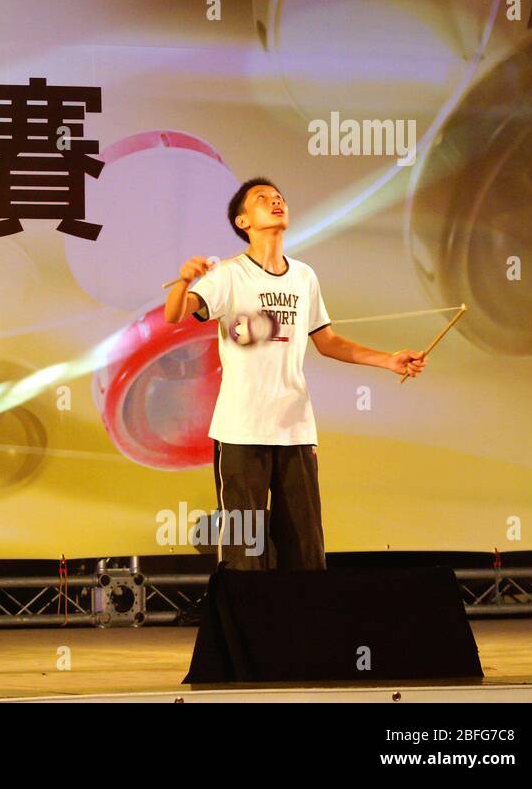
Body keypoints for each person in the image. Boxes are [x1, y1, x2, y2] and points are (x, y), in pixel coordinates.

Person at [164, 177, 426, 571]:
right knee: (243, 556)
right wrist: (185, 280)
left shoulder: (304, 276)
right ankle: (249, 630)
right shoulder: (229, 275)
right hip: (241, 432)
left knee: (305, 552)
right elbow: (175, 314)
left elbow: (328, 341)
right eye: (262, 199)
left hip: (295, 430)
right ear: (242, 221)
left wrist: (388, 360)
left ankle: (303, 632)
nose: (275, 202)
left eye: (279, 197)